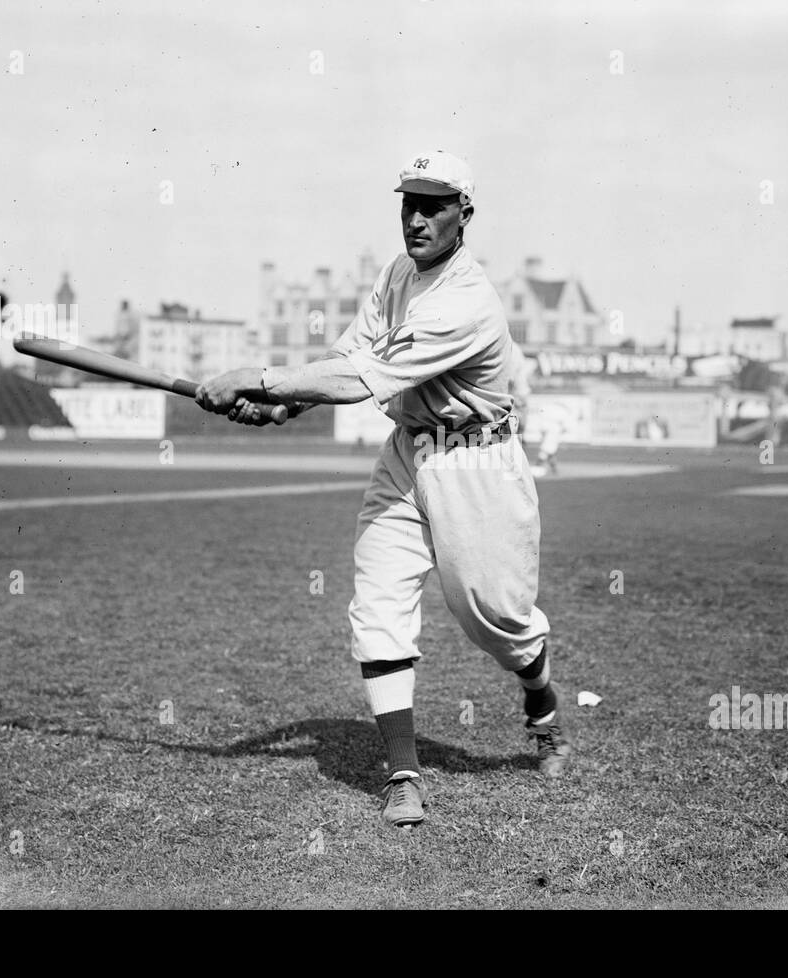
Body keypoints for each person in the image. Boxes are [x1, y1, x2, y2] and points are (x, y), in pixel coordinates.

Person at [195, 150, 572, 828]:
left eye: (434, 205)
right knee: (377, 599)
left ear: (465, 215)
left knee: (497, 619)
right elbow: (348, 357)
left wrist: (256, 378)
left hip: (476, 462)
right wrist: (282, 406)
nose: (418, 217)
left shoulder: (467, 300)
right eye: (409, 203)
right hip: (408, 452)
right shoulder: (398, 272)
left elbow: (364, 381)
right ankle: (403, 773)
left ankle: (539, 695)